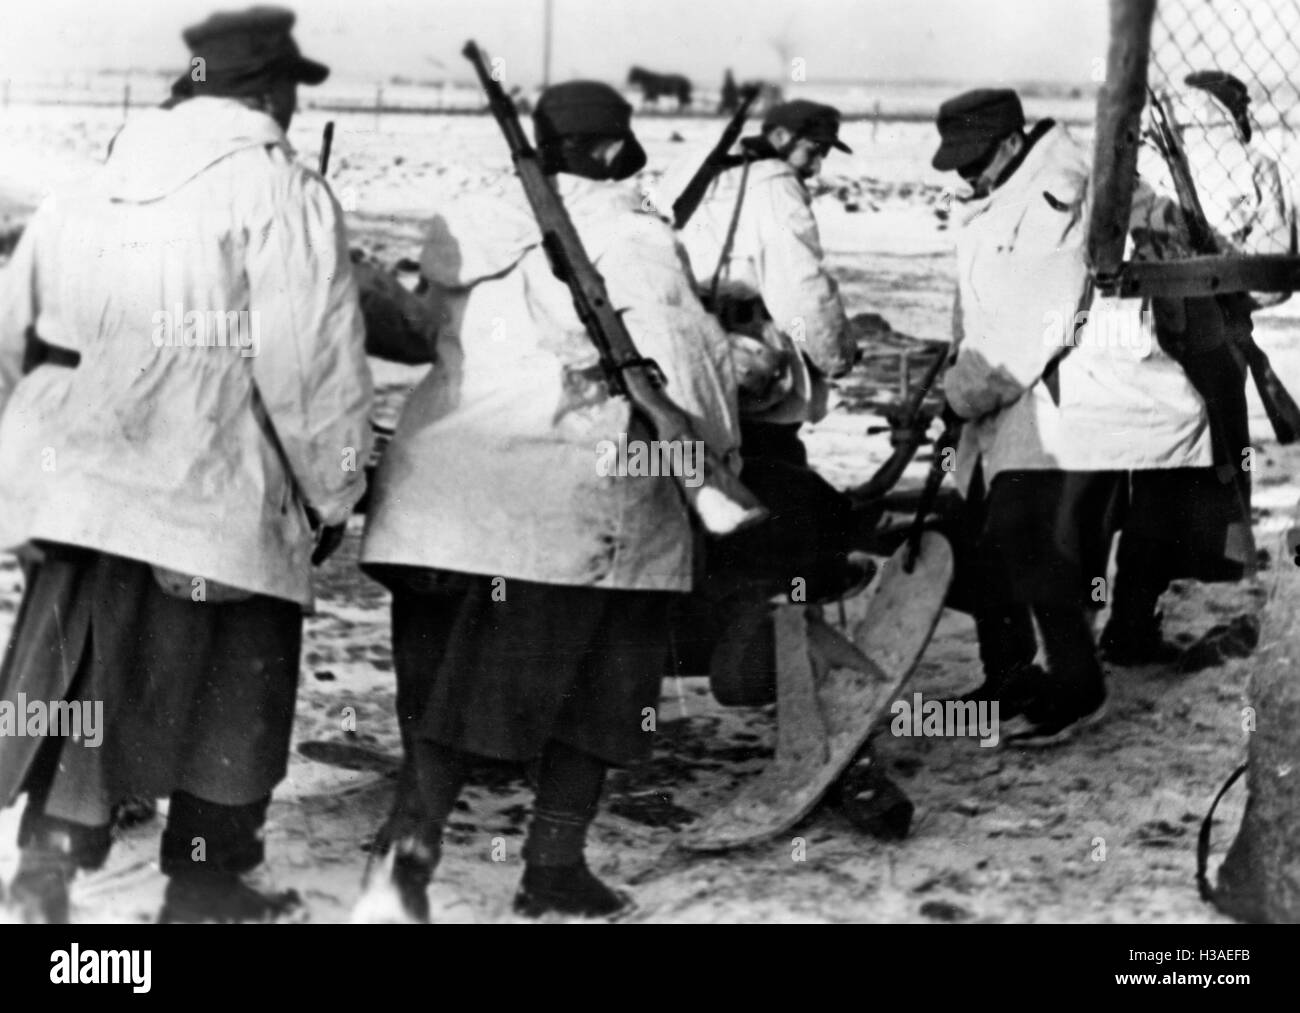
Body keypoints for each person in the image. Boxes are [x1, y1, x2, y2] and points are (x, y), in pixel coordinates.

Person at [0, 6, 373, 922]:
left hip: (82, 488)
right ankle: (203, 882)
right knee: (229, 696)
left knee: (82, 679)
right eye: (290, 87)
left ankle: (44, 868)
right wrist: (333, 492)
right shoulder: (282, 191)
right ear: (269, 90)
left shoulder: (92, 182)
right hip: (215, 488)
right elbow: (311, 366)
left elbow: (15, 334)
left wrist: (28, 477)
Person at [356, 81, 742, 921]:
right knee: (597, 697)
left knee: (444, 711)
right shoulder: (631, 236)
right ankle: (552, 868)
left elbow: (423, 330)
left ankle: (400, 870)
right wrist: (716, 465)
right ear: (611, 150)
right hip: (573, 509)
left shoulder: (467, 225)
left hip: (440, 507)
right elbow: (690, 374)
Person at [933, 88, 1215, 745]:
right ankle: (1009, 674)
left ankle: (1076, 687)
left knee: (1028, 537)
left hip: (1071, 399)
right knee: (993, 531)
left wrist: (960, 392)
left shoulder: (1055, 193)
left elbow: (1027, 327)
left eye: (973, 160)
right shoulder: (1007, 190)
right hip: (1027, 401)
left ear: (1009, 143)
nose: (964, 175)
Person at [658, 100, 872, 705]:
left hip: (684, 357)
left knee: (705, 493)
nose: (817, 160)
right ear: (779, 136)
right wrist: (836, 354)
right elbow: (801, 285)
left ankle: (722, 617)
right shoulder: (775, 187)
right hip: (751, 365)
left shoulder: (702, 168)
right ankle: (773, 632)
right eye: (813, 146)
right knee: (775, 489)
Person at [1101, 69, 1285, 664]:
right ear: (1235, 109)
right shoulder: (1252, 165)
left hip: (1135, 342)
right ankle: (1139, 619)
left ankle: (1122, 618)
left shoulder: (1140, 159)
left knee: (1146, 481)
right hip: (1213, 345)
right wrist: (1231, 299)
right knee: (1208, 485)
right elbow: (1276, 272)